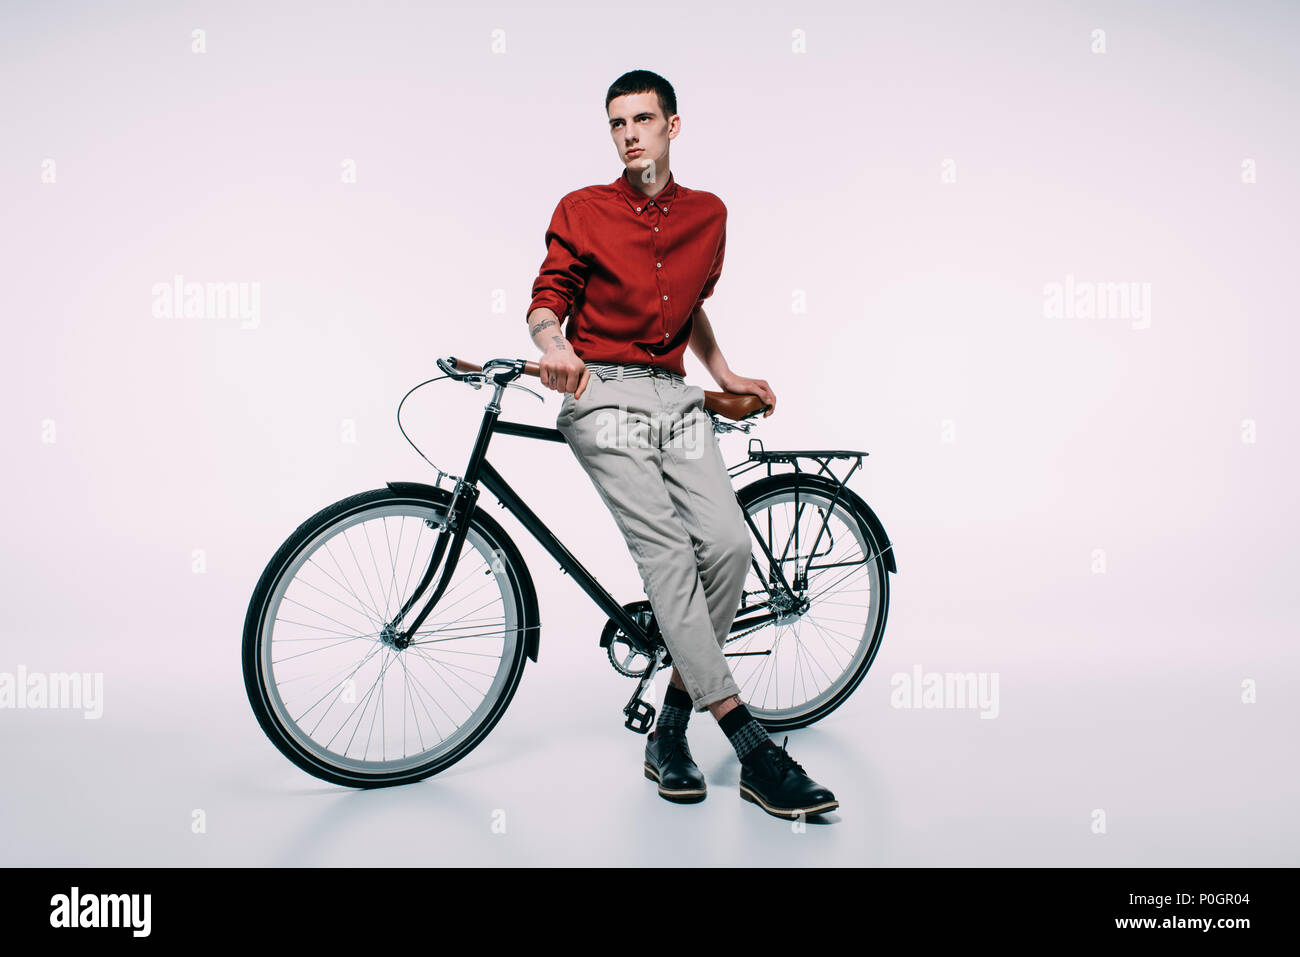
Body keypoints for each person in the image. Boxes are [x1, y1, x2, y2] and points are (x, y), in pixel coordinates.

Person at [524, 70, 838, 821]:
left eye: (642, 119)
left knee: (727, 547)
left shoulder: (708, 214)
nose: (629, 134)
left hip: (677, 397)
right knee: (667, 551)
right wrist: (554, 345)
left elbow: (689, 304)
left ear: (672, 125)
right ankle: (750, 743)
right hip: (602, 392)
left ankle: (668, 727)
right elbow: (547, 298)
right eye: (616, 123)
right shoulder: (583, 208)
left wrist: (724, 372)